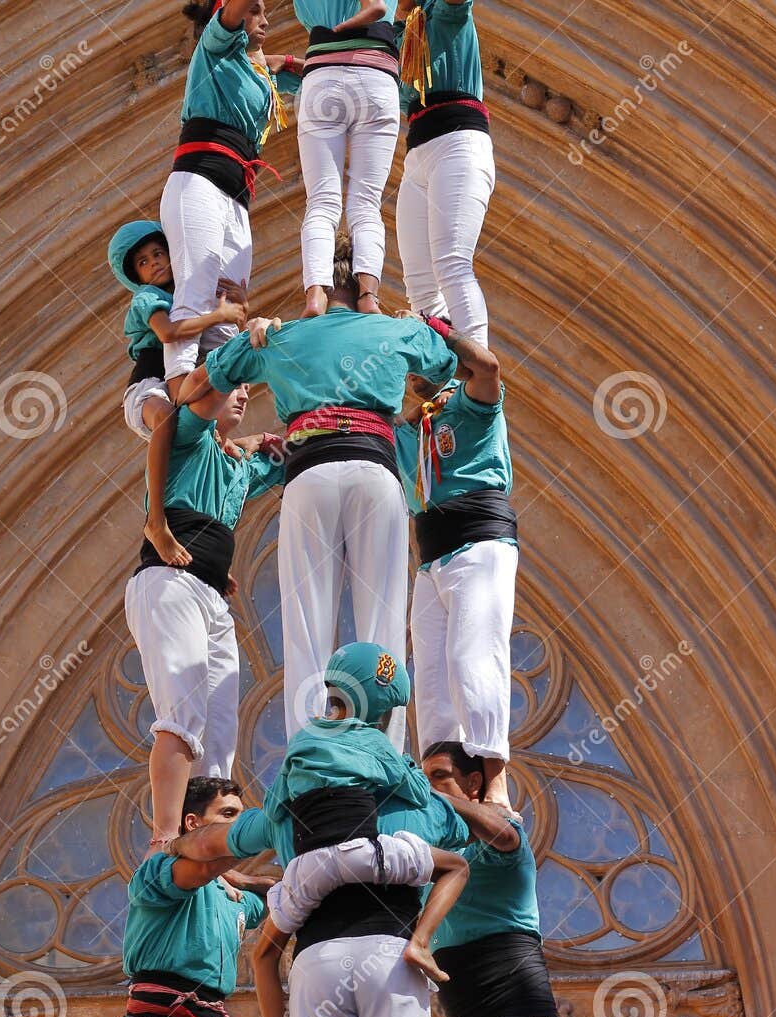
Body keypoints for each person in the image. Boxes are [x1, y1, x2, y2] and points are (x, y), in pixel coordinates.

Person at [205, 235, 500, 751]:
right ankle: (384, 754)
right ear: (367, 278)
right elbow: (446, 368)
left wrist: (255, 329)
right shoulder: (392, 328)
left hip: (309, 473)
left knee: (305, 625)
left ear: (314, 280)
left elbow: (217, 372)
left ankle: (307, 760)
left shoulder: (286, 336)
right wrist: (417, 325)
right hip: (374, 469)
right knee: (383, 616)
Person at [165, 647, 520, 1017]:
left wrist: (170, 841)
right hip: (391, 957)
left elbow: (208, 844)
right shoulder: (422, 805)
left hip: (317, 961)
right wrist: (449, 796)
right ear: (384, 713)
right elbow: (504, 832)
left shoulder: (290, 806)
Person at [123, 375, 284, 851]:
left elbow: (293, 457)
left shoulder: (236, 466)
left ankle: (211, 848)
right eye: (235, 387)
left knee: (218, 738)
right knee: (183, 712)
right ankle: (166, 835)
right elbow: (192, 402)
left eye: (248, 389)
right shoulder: (190, 439)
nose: (244, 394)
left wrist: (278, 440)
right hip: (169, 585)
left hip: (210, 595)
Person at [395, 340, 515, 805]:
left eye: (419, 359)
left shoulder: (471, 406)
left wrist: (435, 328)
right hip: (432, 558)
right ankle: (441, 786)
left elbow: (488, 366)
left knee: (473, 658)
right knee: (429, 680)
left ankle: (496, 779)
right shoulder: (410, 431)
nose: (412, 373)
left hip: (480, 542)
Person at [160, 0, 284, 404]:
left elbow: (274, 74)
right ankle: (180, 382)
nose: (265, 20)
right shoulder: (214, 48)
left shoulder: (255, 75)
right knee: (197, 288)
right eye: (256, 11)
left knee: (231, 304)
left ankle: (214, 401)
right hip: (200, 183)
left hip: (236, 199)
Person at [108, 219, 247, 565]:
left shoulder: (183, 295)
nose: (154, 263)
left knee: (202, 431)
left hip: (171, 386)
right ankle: (155, 522)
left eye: (158, 253)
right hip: (146, 388)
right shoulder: (148, 297)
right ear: (136, 276)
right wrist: (217, 315)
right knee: (168, 419)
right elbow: (169, 333)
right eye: (143, 261)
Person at [110, 777, 269, 1017]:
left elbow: (283, 893)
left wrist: (245, 879)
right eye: (228, 815)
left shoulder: (231, 896)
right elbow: (204, 864)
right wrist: (270, 827)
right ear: (193, 823)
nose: (236, 825)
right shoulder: (156, 871)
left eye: (241, 817)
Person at [424, 742, 558, 1017]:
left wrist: (432, 798)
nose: (429, 788)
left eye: (440, 777)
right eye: (424, 780)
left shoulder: (502, 843)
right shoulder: (433, 859)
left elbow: (503, 833)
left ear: (473, 783)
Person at [290, 0, 402, 316]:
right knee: (366, 203)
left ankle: (316, 295)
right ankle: (368, 297)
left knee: (321, 202)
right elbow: (378, 8)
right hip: (376, 75)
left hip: (322, 77)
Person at [394, 0, 494, 345]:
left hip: (458, 143)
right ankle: (442, 382)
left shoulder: (443, 12)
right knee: (419, 286)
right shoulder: (395, 34)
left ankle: (480, 369)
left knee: (452, 263)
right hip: (419, 154)